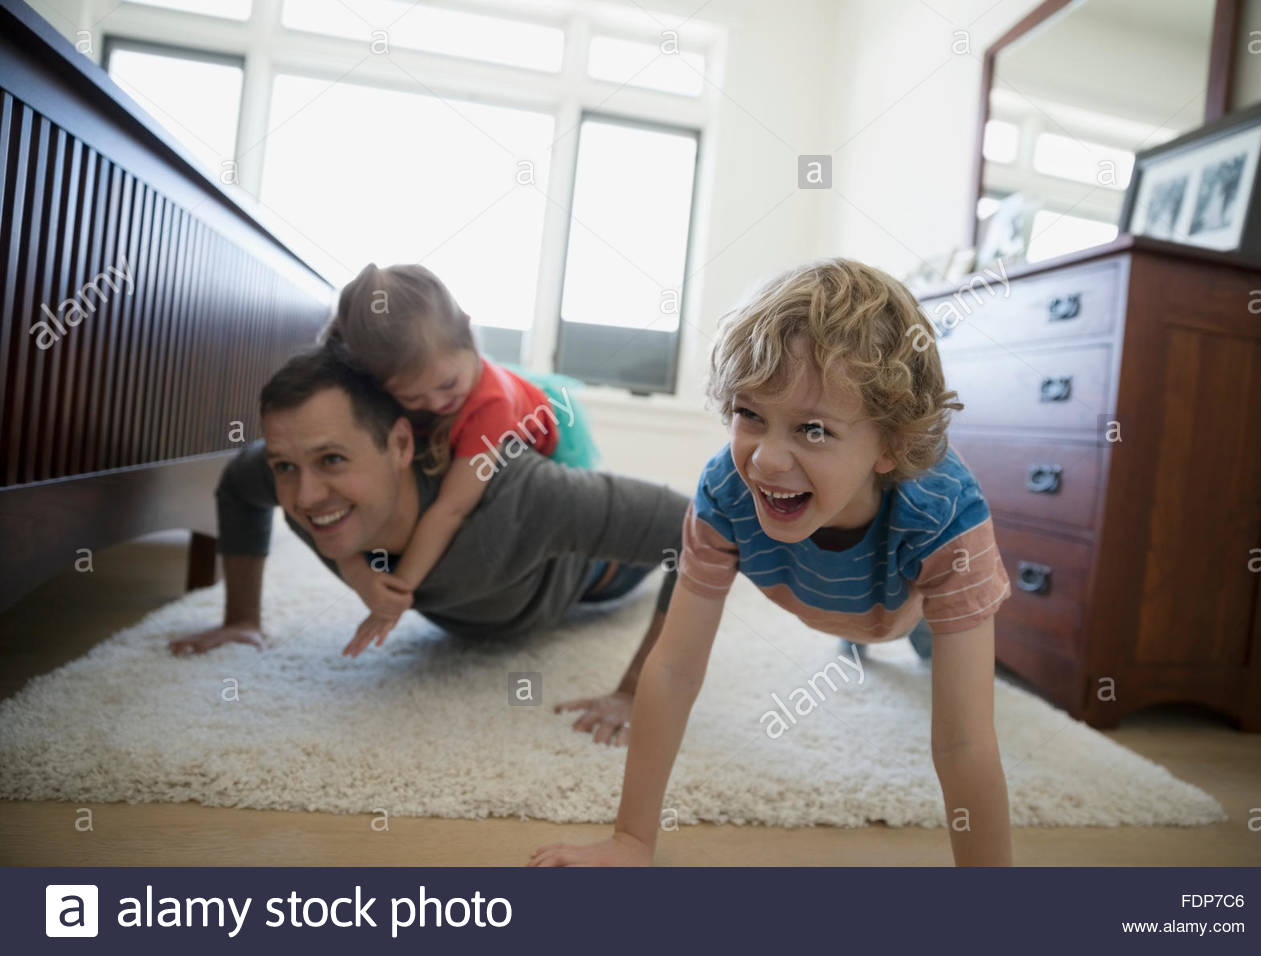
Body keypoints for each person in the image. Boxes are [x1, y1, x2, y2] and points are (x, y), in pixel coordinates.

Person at [530, 258, 1014, 865]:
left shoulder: (946, 520)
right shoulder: (725, 492)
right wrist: (631, 840)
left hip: (901, 602)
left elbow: (964, 741)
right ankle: (853, 644)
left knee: (933, 664)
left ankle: (870, 644)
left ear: (890, 445)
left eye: (812, 429)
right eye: (750, 414)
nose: (765, 460)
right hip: (820, 594)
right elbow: (675, 667)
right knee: (853, 636)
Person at [168, 342, 688, 747]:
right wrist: (241, 618)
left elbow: (691, 530)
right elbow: (239, 482)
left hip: (591, 576)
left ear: (400, 444)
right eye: (286, 467)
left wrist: (635, 691)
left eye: (332, 460)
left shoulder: (521, 494)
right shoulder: (290, 472)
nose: (304, 496)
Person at [321, 263, 602, 651]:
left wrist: (397, 593)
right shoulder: (414, 384)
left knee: (545, 524)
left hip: (536, 442)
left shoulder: (492, 404)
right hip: (466, 430)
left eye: (447, 385)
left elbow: (451, 509)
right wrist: (356, 571)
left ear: (469, 334)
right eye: (414, 399)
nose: (435, 404)